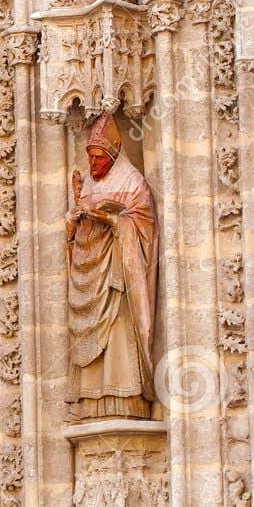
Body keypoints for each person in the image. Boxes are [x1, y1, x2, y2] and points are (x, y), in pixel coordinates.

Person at [66, 111, 158, 419]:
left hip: (118, 279)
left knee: (119, 331)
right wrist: (74, 219)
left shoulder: (132, 183)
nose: (93, 164)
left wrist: (109, 218)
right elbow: (76, 236)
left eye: (99, 158)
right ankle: (91, 405)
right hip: (91, 277)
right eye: (90, 158)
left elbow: (143, 227)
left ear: (114, 153)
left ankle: (126, 399)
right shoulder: (88, 184)